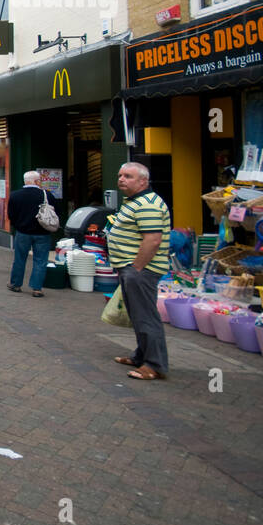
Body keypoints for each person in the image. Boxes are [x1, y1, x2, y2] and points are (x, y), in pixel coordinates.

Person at [108, 162, 172, 381]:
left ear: (143, 181)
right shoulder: (134, 201)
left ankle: (154, 365)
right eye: (120, 175)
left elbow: (153, 239)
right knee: (137, 315)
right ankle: (140, 356)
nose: (121, 179)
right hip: (130, 268)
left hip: (140, 270)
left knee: (146, 317)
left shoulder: (148, 204)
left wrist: (136, 268)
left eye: (128, 176)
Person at [7, 171, 59, 298]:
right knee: (40, 260)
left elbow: (11, 215)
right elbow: (56, 211)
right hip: (42, 233)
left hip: (23, 232)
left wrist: (18, 225)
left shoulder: (15, 195)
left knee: (19, 259)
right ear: (37, 181)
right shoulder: (47, 195)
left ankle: (16, 284)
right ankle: (37, 288)